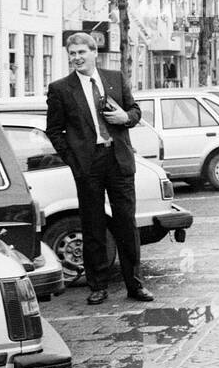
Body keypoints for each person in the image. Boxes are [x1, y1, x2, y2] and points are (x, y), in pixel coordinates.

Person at [45, 33, 152, 305]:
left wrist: (125, 117)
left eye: (82, 52)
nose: (77, 58)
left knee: (126, 224)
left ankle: (135, 285)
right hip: (88, 165)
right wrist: (74, 160)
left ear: (94, 53)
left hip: (118, 160)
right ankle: (98, 286)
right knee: (93, 226)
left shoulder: (115, 78)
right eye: (72, 54)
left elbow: (135, 110)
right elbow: (54, 131)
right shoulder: (60, 89)